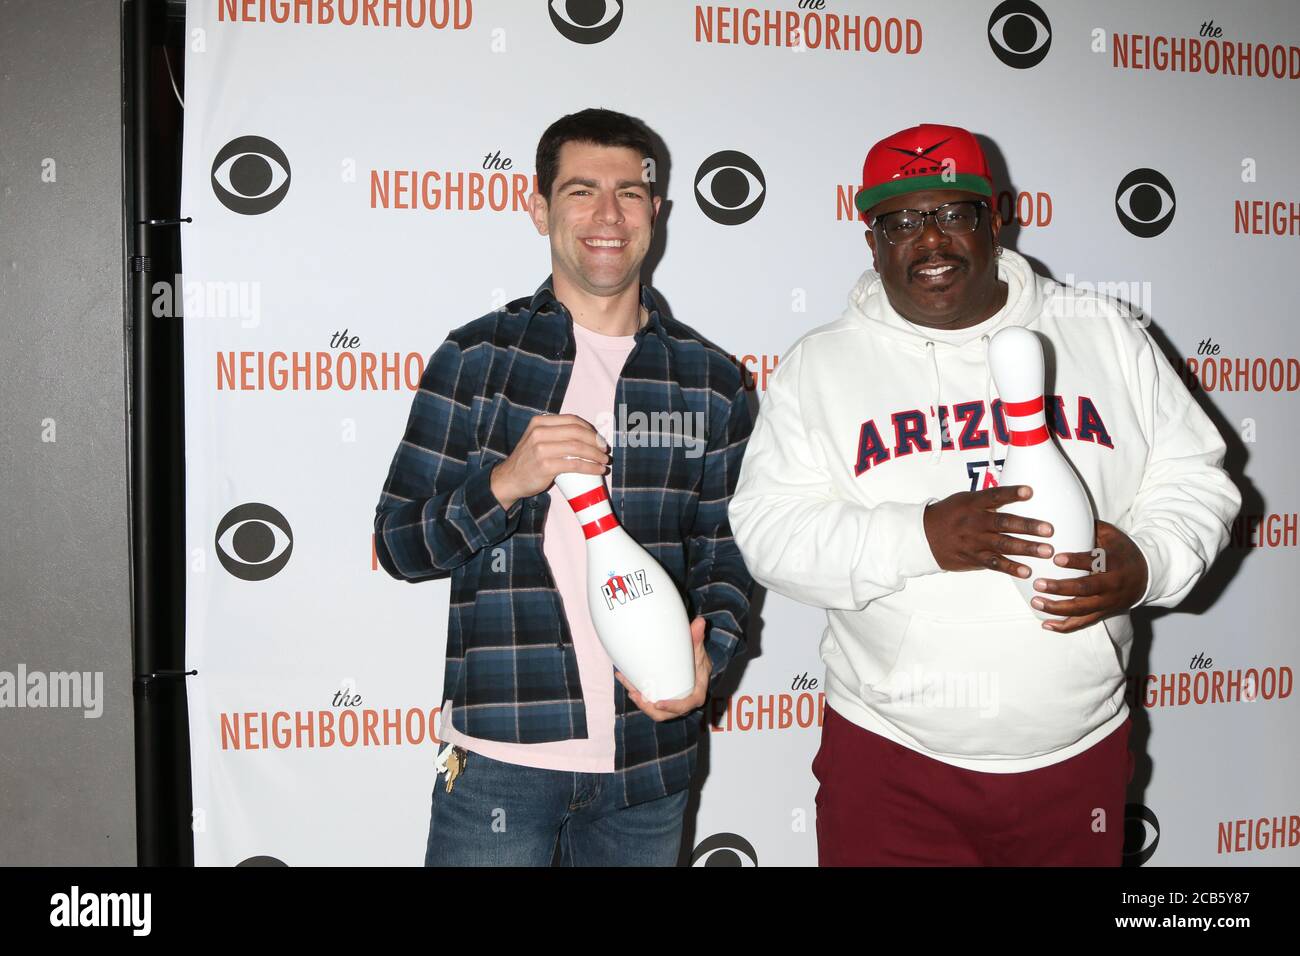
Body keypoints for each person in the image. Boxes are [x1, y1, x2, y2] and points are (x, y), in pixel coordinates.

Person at [728, 123, 1242, 866]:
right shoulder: (822, 365)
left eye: (952, 213)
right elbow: (771, 532)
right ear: (870, 238)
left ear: (996, 216)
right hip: (893, 758)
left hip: (1079, 749)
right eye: (900, 221)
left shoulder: (1101, 331)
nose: (928, 240)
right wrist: (920, 538)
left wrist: (1153, 561)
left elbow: (1195, 478)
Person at [373, 108, 753, 867]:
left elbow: (728, 559)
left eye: (631, 193)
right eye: (581, 191)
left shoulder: (711, 381)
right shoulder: (476, 359)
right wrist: (507, 482)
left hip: (650, 764)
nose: (608, 215)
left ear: (658, 212)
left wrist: (715, 656)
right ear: (540, 207)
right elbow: (398, 545)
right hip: (499, 761)